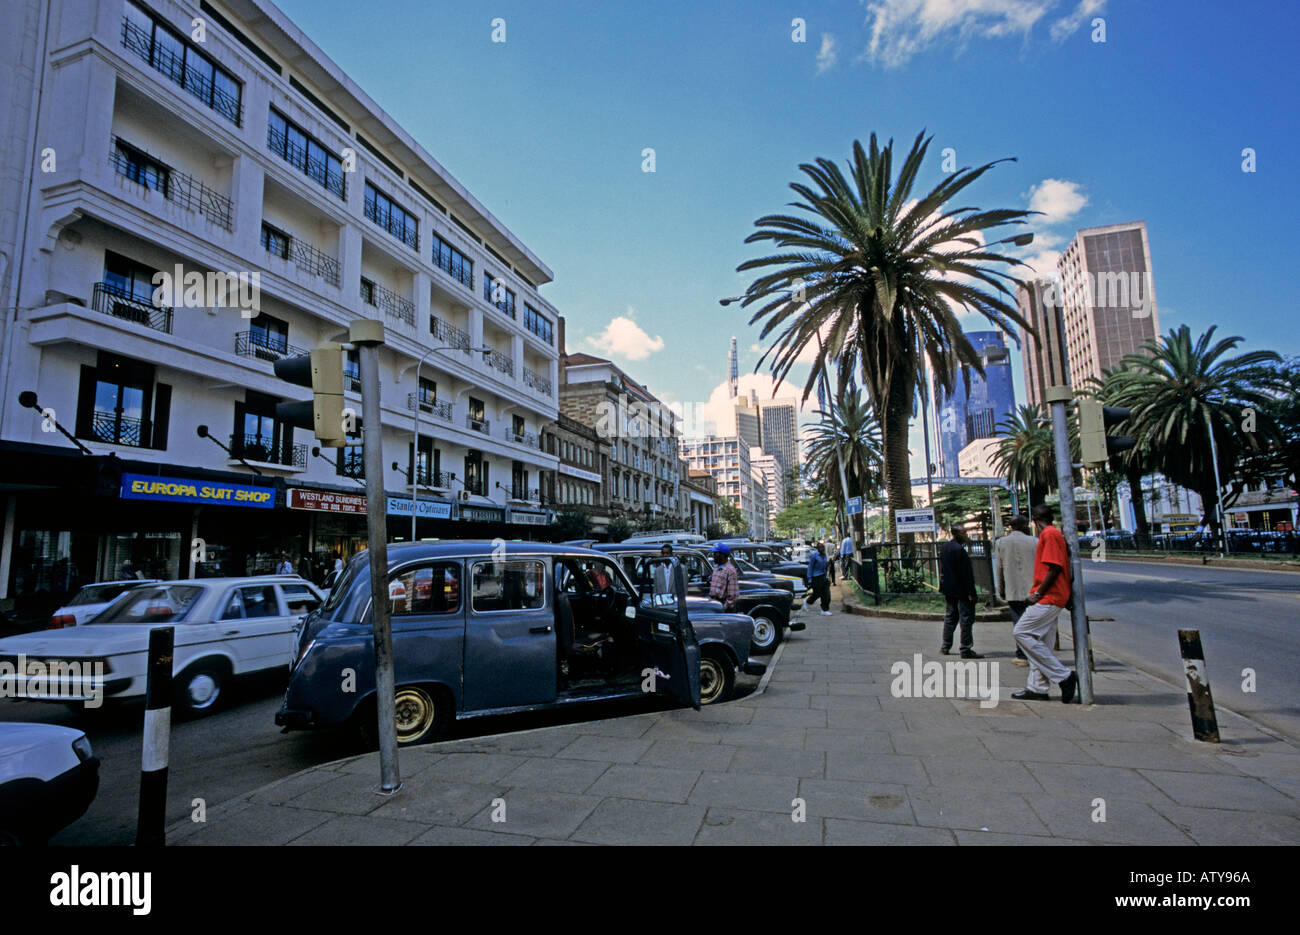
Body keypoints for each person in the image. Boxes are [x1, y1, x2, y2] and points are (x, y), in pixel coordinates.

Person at [1012, 504, 1079, 702]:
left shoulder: (1049, 535)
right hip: (1055, 596)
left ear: (1034, 520)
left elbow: (1054, 567)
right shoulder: (1054, 534)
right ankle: (1037, 687)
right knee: (1041, 644)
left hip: (1049, 597)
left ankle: (1063, 676)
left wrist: (1038, 593)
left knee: (1021, 632)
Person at [996, 515, 1037, 666]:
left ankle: (1021, 655)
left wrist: (1001, 590)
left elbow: (999, 569)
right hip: (1033, 591)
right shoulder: (1035, 541)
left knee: (1018, 624)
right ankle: (1034, 654)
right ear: (1024, 525)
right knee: (1033, 625)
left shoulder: (1001, 543)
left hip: (1012, 590)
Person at [938, 524, 981, 658]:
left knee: (950, 617)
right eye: (964, 533)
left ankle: (945, 646)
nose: (966, 535)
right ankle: (965, 648)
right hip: (961, 590)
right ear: (956, 534)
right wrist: (971, 593)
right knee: (966, 619)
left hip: (949, 589)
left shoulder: (945, 547)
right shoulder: (959, 550)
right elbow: (966, 574)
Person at [708, 543, 740, 613]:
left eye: (715, 553)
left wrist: (723, 608)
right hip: (715, 604)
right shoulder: (716, 567)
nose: (713, 556)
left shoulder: (730, 571)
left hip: (724, 607)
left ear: (722, 555)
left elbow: (733, 596)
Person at [806, 542, 832, 615]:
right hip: (816, 577)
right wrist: (809, 579)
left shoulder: (825, 555)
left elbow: (825, 567)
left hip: (823, 576)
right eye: (820, 547)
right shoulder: (814, 555)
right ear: (817, 548)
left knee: (826, 593)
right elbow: (810, 567)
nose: (822, 549)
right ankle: (808, 601)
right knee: (817, 593)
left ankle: (825, 609)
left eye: (823, 547)